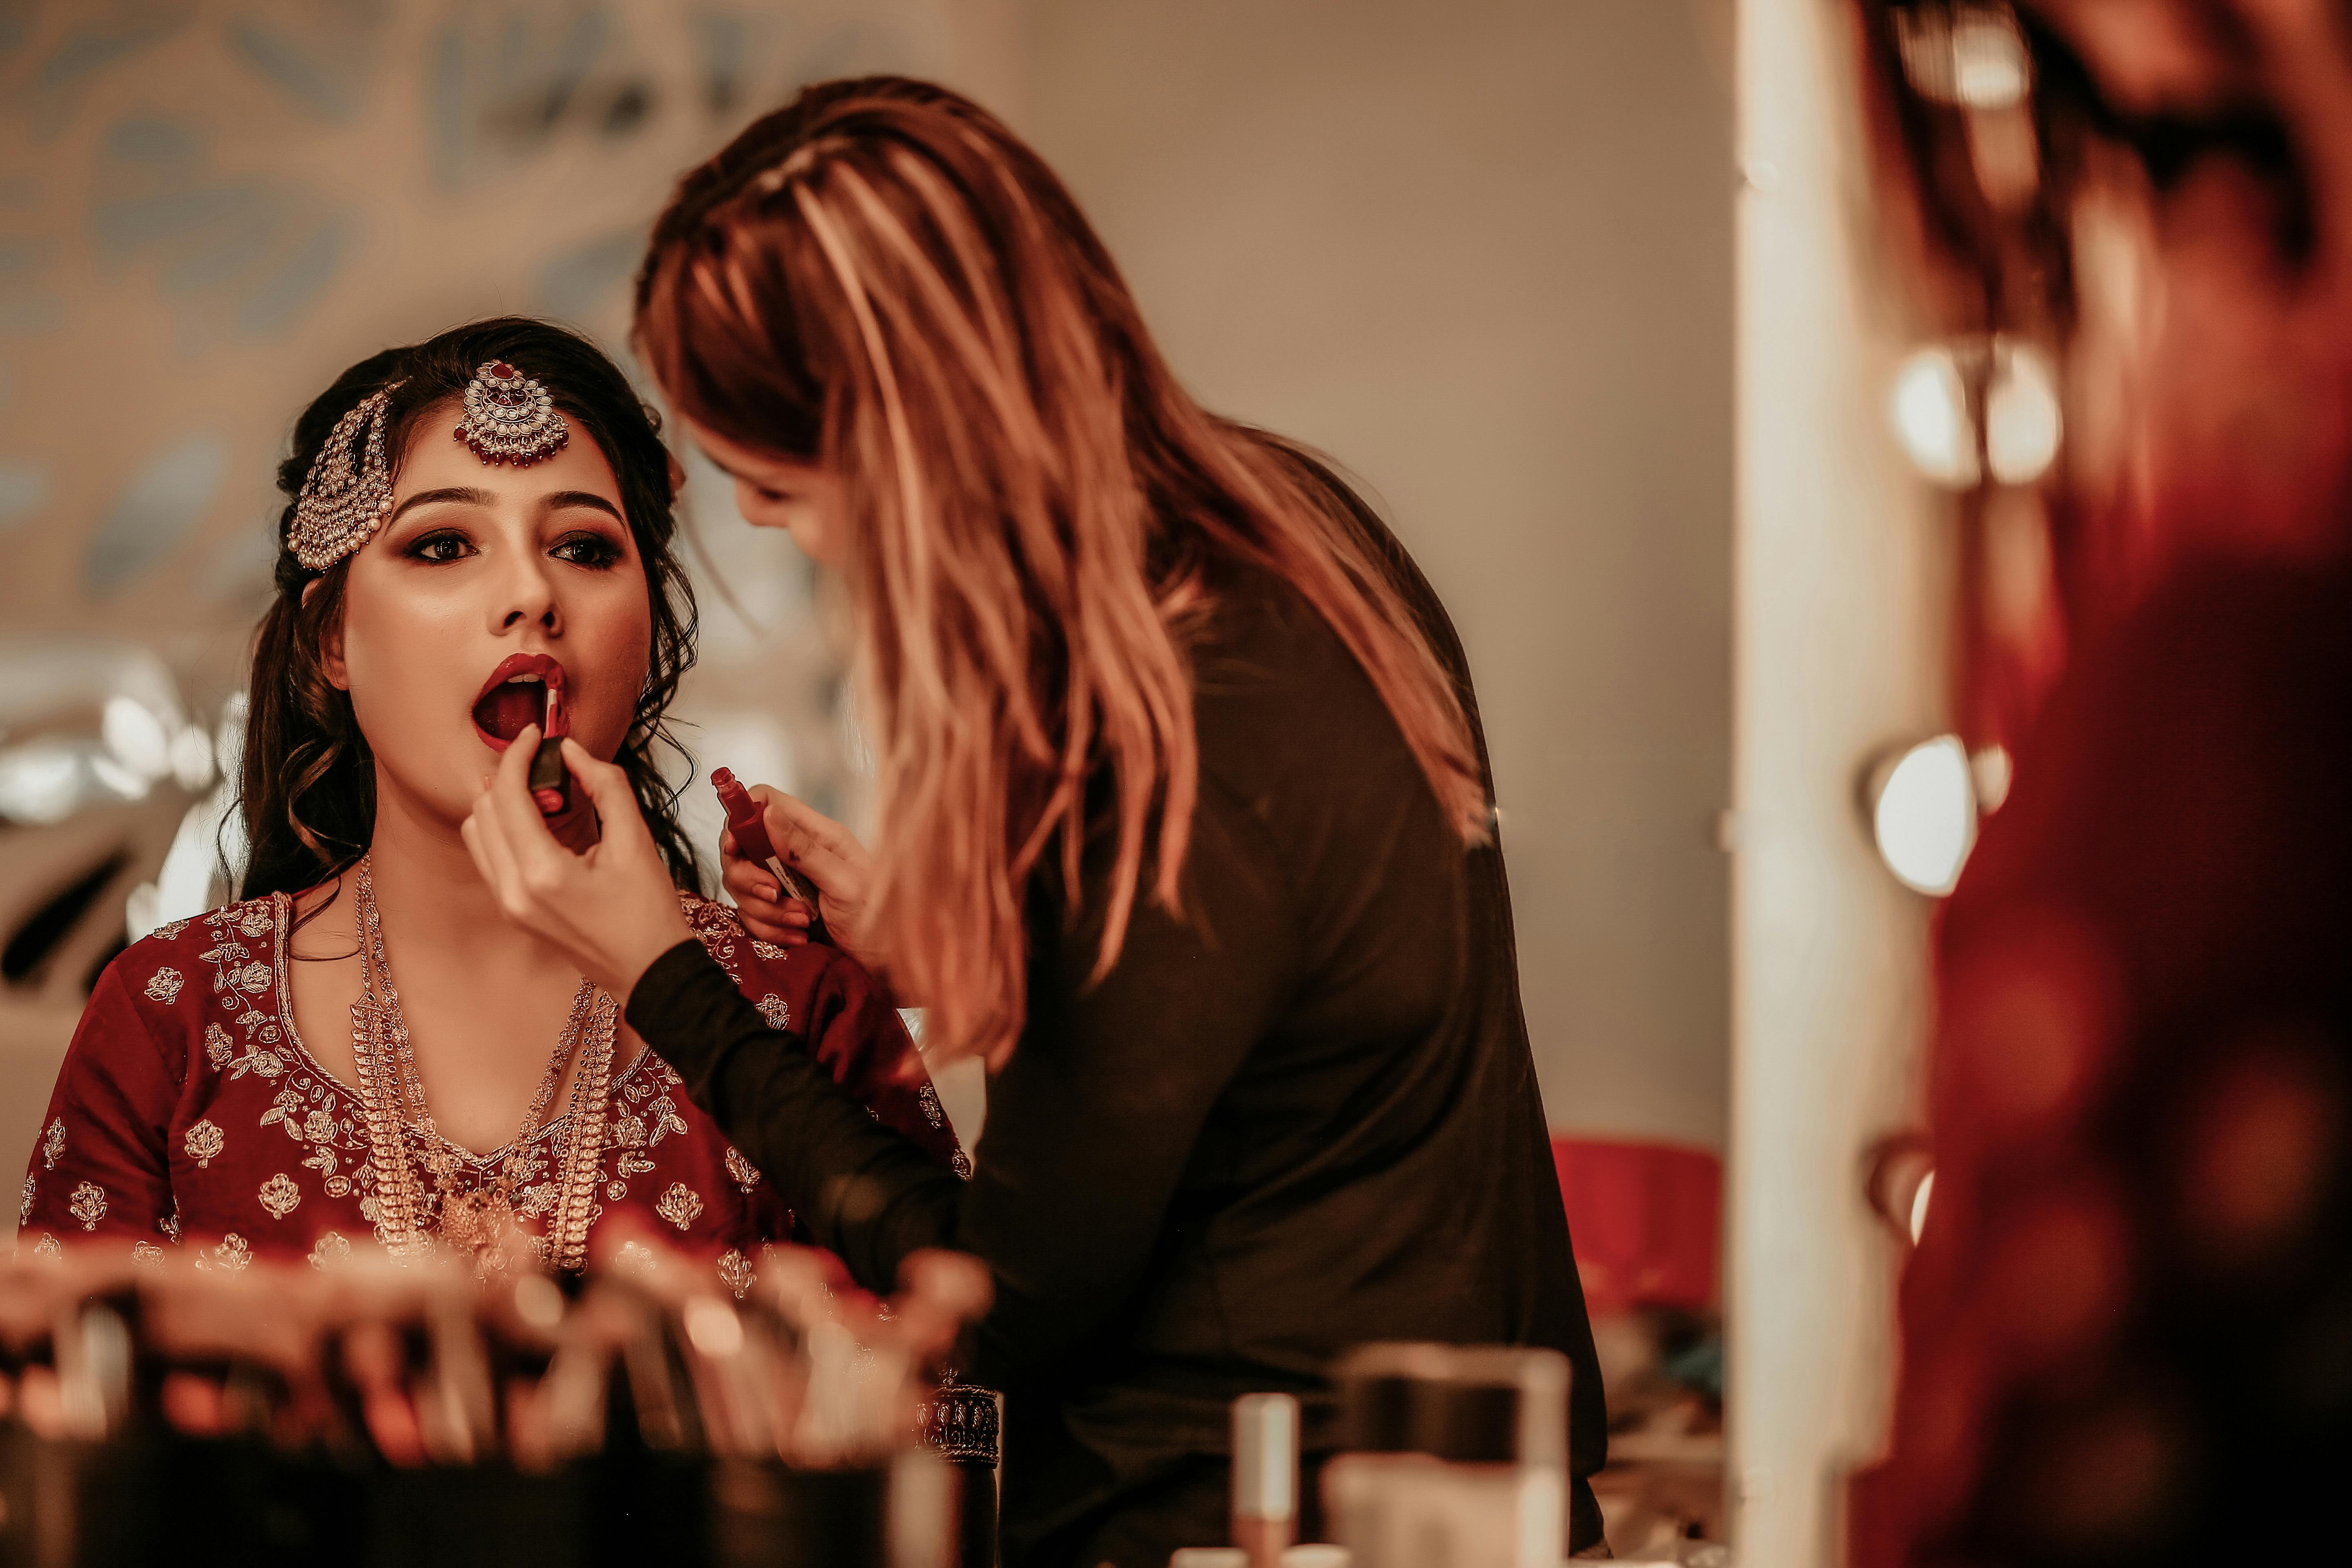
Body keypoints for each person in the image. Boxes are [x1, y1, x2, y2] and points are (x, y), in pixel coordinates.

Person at [461, 80, 1606, 1565]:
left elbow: (994, 1298)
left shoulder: (1164, 726)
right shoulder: (1284, 529)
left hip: (1264, 1523)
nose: (753, 523)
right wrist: (960, 934)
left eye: (771, 476)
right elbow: (1241, 1010)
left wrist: (664, 982)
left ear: (904, 449)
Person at [18, 317, 960, 1286]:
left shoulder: (799, 1009)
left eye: (586, 549)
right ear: (329, 641)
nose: (531, 594)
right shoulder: (174, 1012)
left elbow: (964, 1394)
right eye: (442, 545)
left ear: (649, 635)